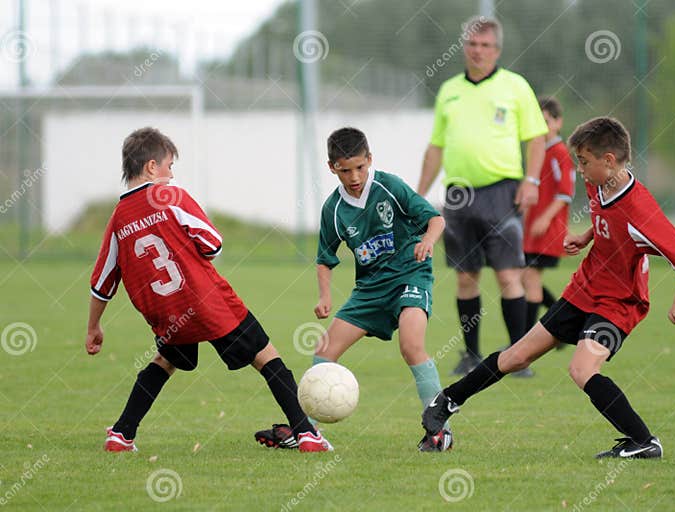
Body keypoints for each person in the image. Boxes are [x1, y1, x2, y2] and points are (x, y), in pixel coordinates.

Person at [422, 117, 675, 459]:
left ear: (609, 160)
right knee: (516, 355)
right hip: (583, 289)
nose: (580, 170)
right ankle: (448, 400)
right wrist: (585, 237)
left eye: (584, 162)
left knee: (581, 369)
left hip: (618, 303)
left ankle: (643, 441)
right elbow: (605, 221)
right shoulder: (600, 184)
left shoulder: (640, 209)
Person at [86, 127, 331, 453]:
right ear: (151, 168)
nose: (172, 175)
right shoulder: (169, 196)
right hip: (206, 301)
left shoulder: (118, 218)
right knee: (265, 354)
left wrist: (93, 326)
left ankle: (121, 434)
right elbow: (213, 244)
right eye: (169, 166)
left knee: (164, 361)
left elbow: (102, 282)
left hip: (166, 312)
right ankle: (307, 435)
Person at [276, 127, 451, 452]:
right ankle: (308, 432)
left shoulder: (389, 186)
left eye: (359, 167)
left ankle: (440, 429)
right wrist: (325, 296)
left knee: (411, 345)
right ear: (332, 168)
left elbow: (435, 219)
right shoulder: (334, 209)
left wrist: (427, 241)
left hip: (410, 275)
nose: (354, 176)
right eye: (345, 170)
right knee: (324, 351)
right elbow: (325, 258)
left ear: (369, 159)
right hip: (370, 289)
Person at [417, 15, 547, 377]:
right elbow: (436, 148)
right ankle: (471, 354)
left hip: (503, 190)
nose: (478, 51)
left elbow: (536, 138)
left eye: (485, 45)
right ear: (464, 48)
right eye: (472, 44)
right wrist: (417, 197)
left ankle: (518, 356)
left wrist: (531, 180)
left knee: (509, 275)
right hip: (458, 196)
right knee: (465, 278)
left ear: (497, 50)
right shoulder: (449, 91)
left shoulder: (515, 86)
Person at [522, 97, 575, 335]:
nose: (542, 127)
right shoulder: (538, 151)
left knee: (530, 277)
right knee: (526, 277)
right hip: (533, 228)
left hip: (548, 229)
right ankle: (561, 328)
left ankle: (522, 340)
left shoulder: (559, 153)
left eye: (545, 121)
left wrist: (544, 218)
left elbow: (566, 192)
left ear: (558, 122)